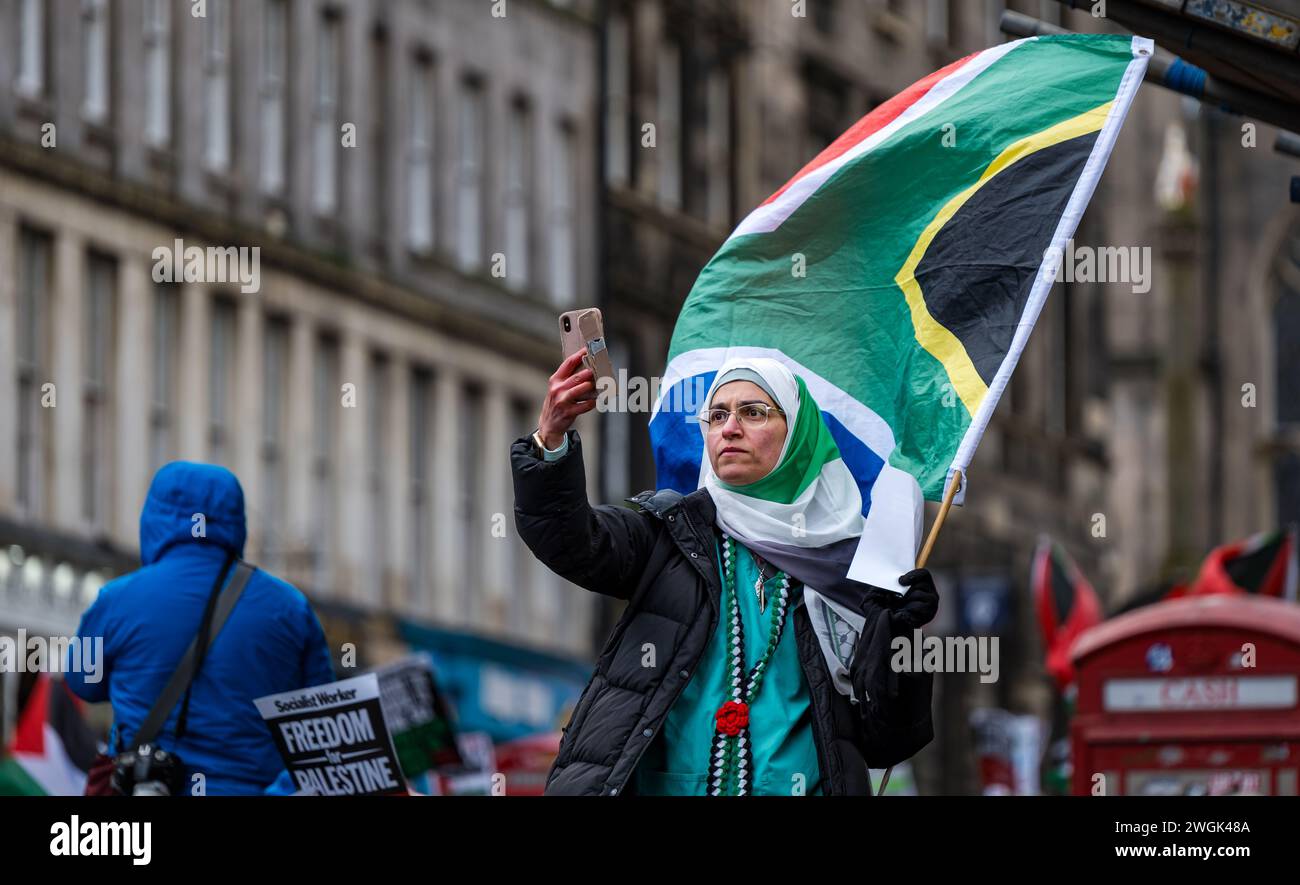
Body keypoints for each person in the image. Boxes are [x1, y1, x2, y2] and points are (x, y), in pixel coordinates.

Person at [512, 350, 938, 796]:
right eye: (716, 416)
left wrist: (901, 635)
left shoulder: (858, 570)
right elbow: (569, 539)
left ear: (798, 434)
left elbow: (891, 740)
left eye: (753, 412)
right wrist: (551, 439)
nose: (729, 428)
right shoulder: (670, 537)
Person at [65, 462, 335, 795]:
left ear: (154, 518)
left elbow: (81, 682)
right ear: (237, 522)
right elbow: (324, 726)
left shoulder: (115, 599)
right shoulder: (291, 608)